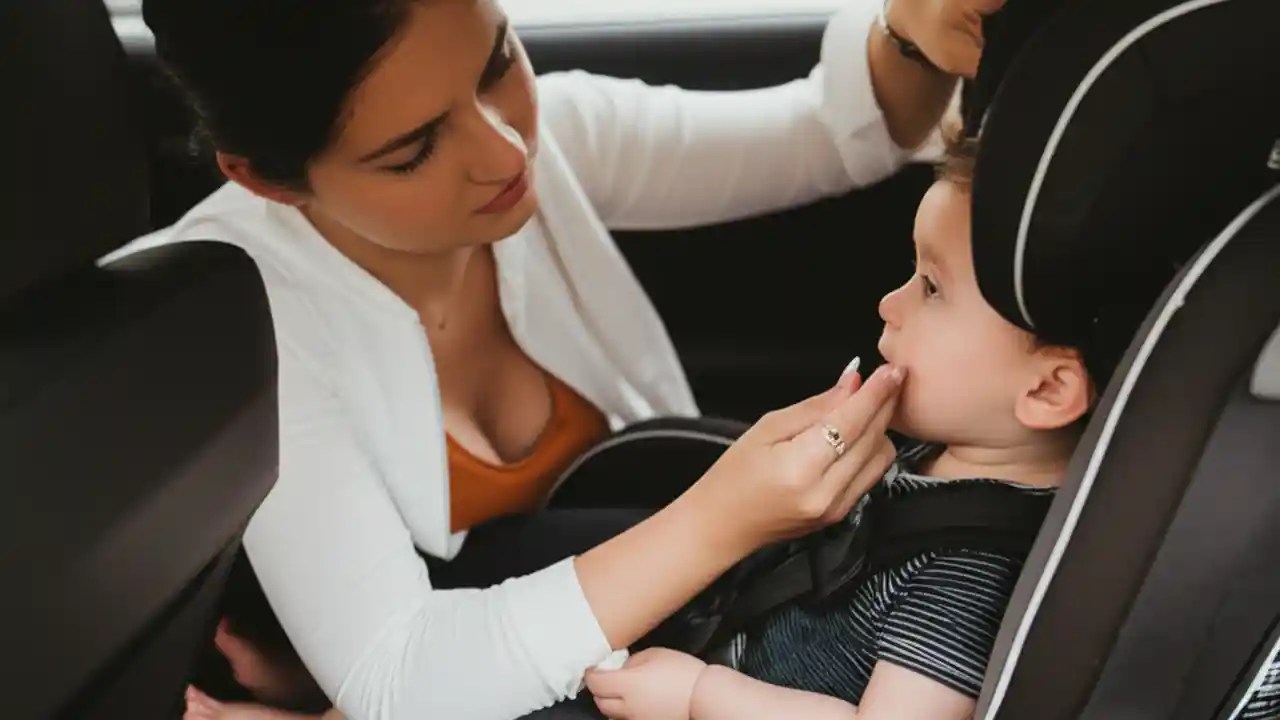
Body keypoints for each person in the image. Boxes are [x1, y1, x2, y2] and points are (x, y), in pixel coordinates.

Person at [119, 0, 1008, 717]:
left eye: (498, 62)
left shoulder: (552, 142)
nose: (503, 148)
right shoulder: (241, 317)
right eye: (414, 150)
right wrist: (720, 518)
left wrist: (913, 32)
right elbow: (398, 679)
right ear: (267, 179)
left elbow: (826, 129)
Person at [577, 126, 1098, 720]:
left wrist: (699, 697)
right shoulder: (944, 455)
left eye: (931, 288)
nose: (889, 303)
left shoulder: (972, 574)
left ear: (1047, 390)